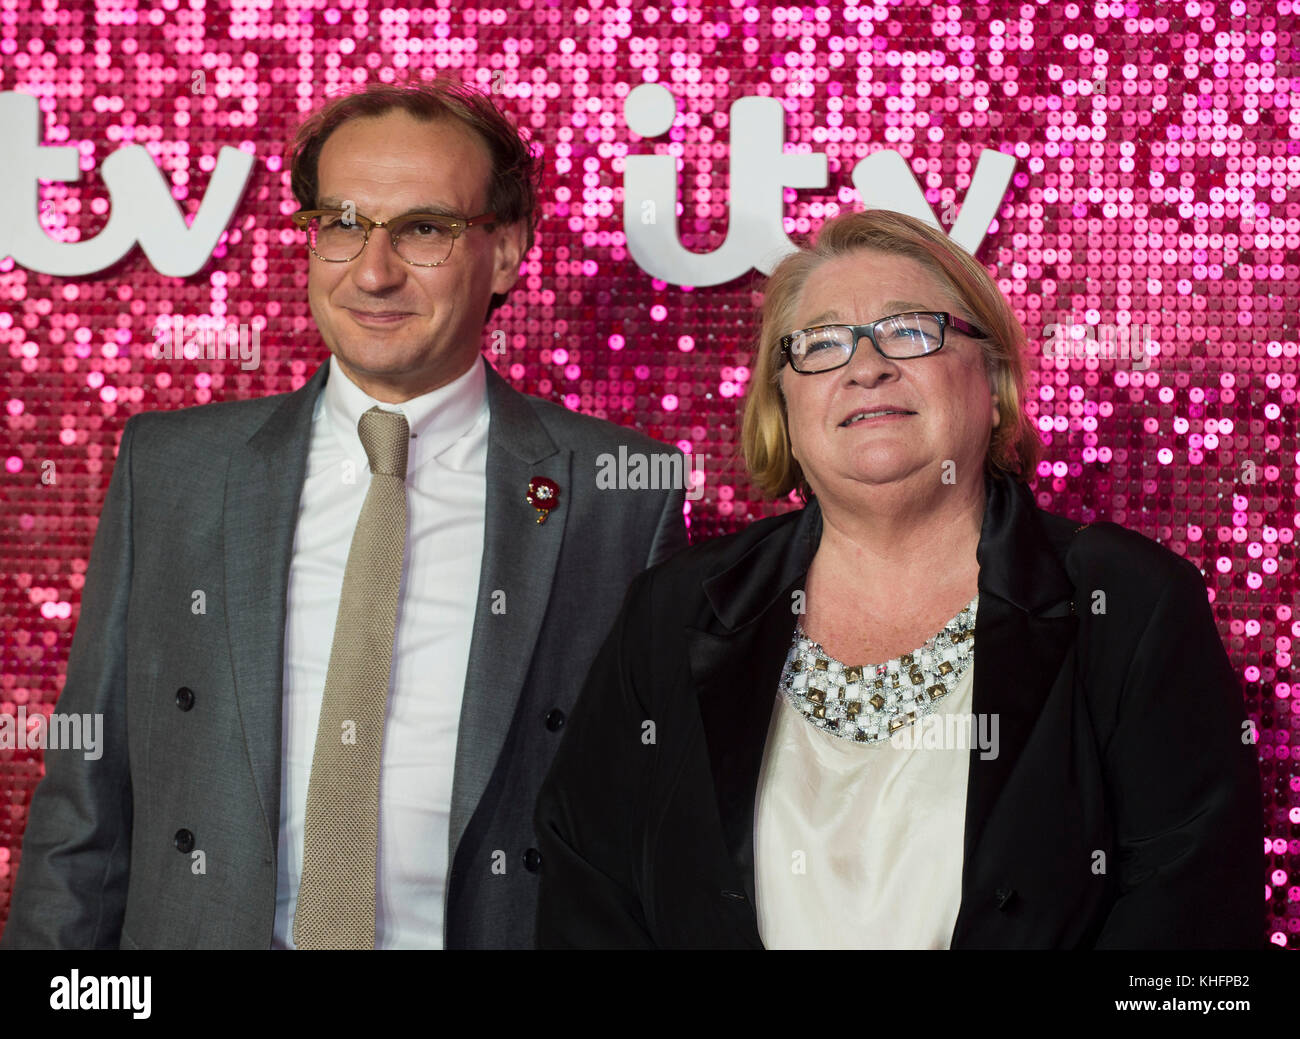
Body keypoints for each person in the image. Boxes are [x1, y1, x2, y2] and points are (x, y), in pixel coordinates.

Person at [1, 81, 687, 950]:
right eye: (342, 223)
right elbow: (84, 804)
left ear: (507, 251)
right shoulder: (173, 468)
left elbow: (659, 825)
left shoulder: (619, 492)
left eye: (424, 229)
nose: (373, 270)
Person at [534, 208, 1265, 949]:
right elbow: (588, 893)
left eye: (910, 329)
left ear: (994, 375)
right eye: (820, 344)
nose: (865, 366)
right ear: (782, 404)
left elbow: (1193, 935)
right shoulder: (674, 607)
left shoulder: (1127, 603)